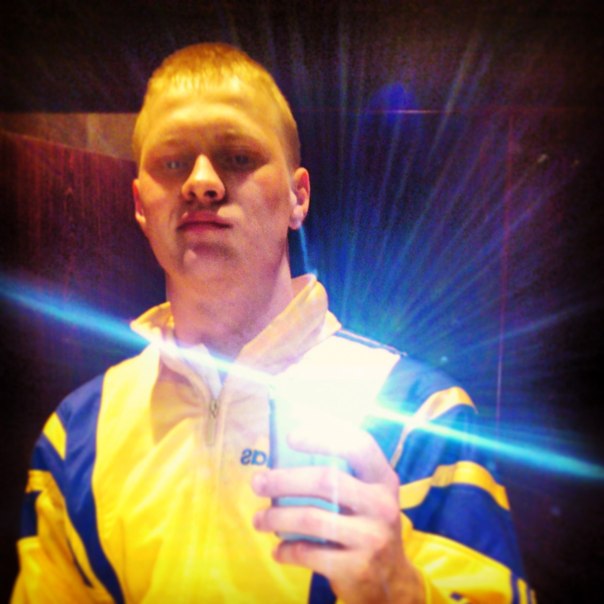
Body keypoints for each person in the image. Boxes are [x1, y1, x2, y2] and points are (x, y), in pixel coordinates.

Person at [11, 43, 534, 603]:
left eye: (238, 157)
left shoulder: (419, 417)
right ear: (141, 204)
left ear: (297, 196)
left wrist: (405, 594)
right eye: (173, 162)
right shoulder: (76, 434)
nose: (201, 183)